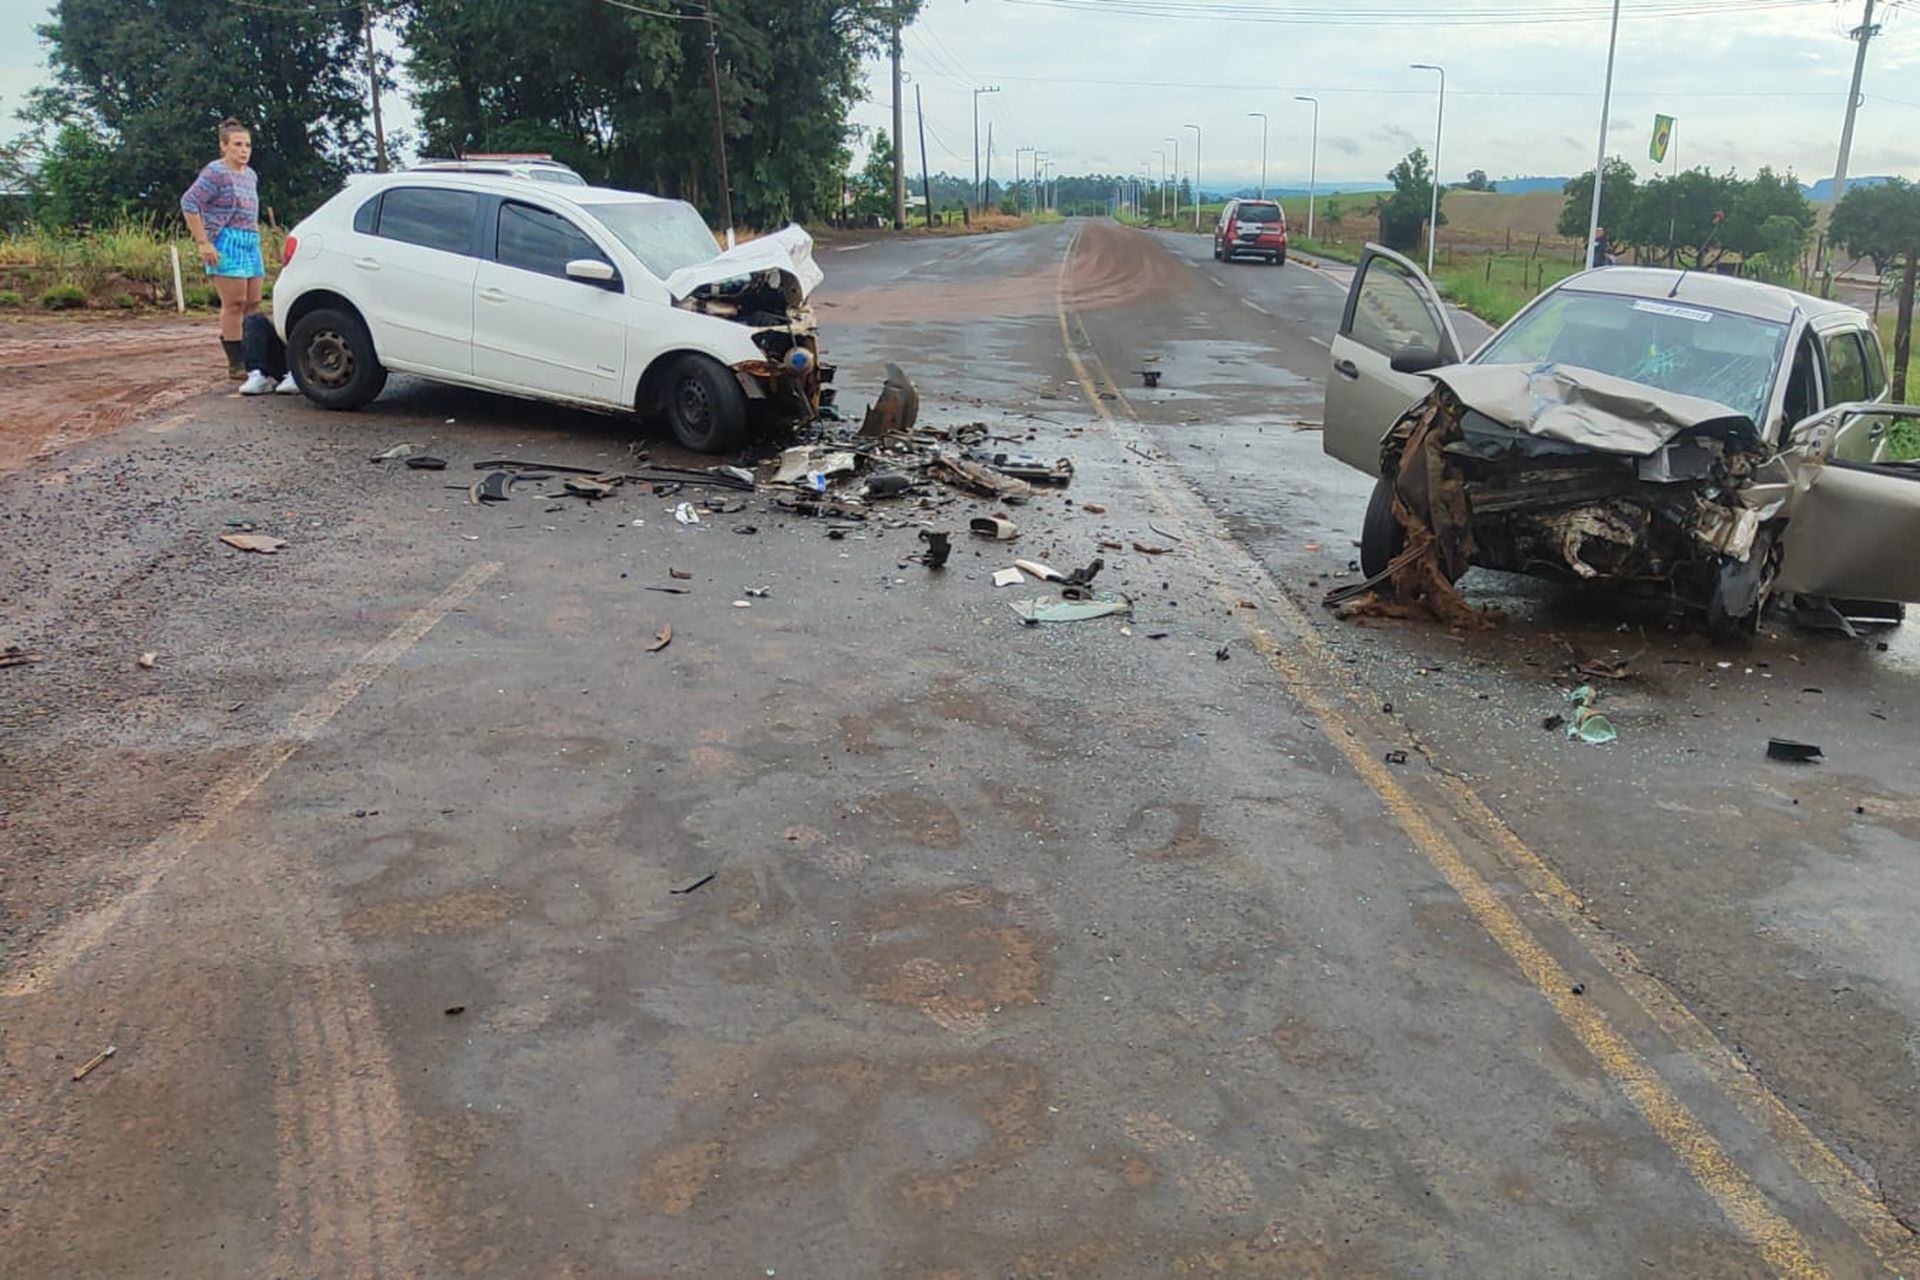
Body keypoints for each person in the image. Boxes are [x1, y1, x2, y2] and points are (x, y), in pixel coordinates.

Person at [181, 117, 264, 380]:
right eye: (238, 144)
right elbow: (189, 202)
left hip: (249, 239)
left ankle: (254, 357)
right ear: (224, 146)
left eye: (247, 145)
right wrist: (204, 242)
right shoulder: (215, 172)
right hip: (225, 239)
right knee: (235, 302)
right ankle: (236, 362)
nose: (244, 150)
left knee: (253, 300)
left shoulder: (250, 175)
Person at [237, 313, 299, 396]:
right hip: (285, 361)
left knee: (303, 316)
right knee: (254, 320)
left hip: (310, 362)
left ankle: (297, 375)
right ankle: (258, 374)